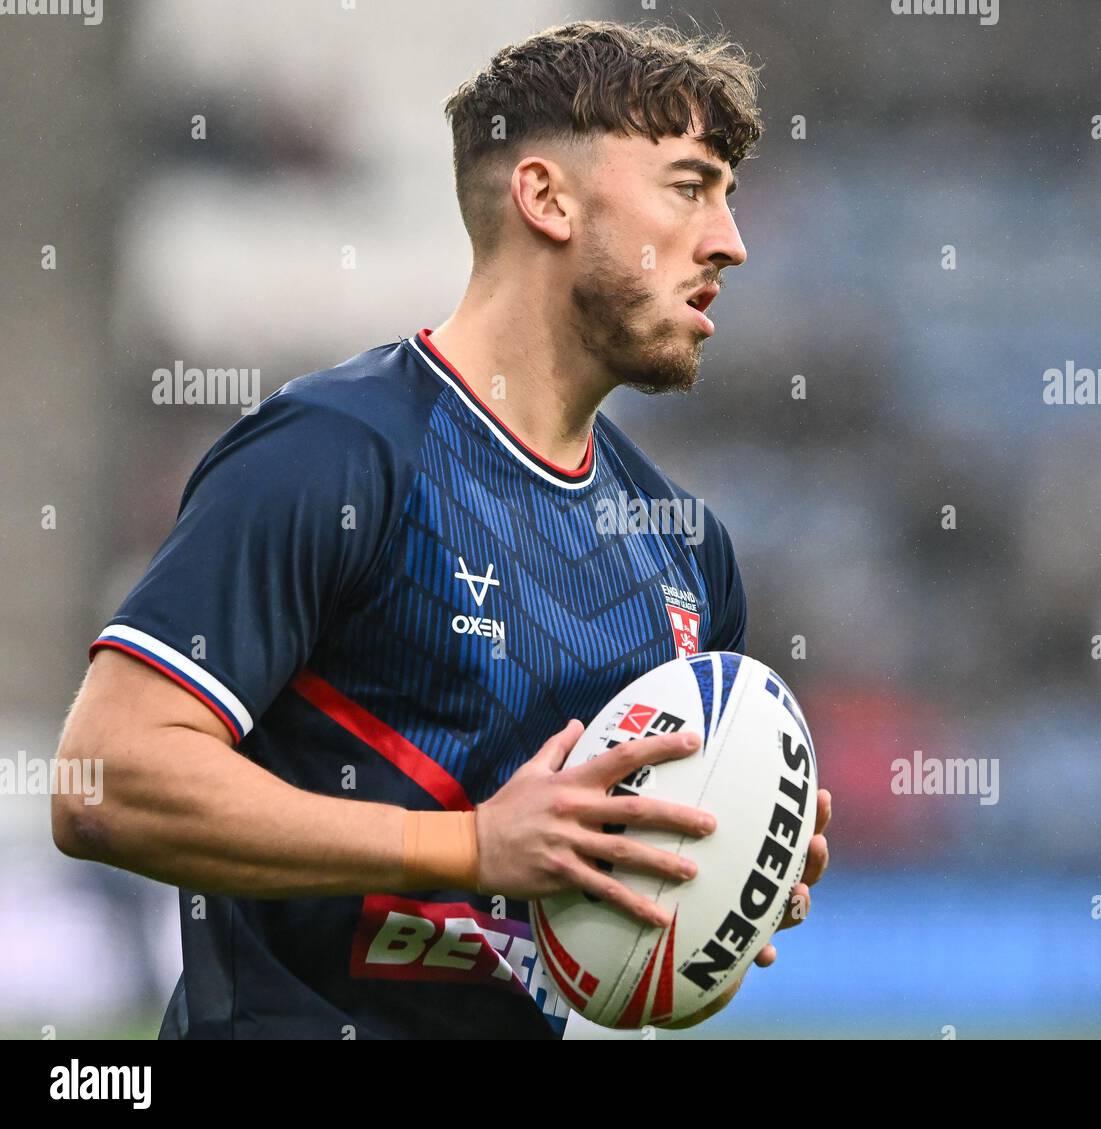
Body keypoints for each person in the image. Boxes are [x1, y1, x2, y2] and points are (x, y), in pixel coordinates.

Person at [52, 18, 831, 1040]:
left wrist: (716, 899)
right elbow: (105, 780)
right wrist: (466, 847)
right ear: (546, 197)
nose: (729, 238)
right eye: (689, 186)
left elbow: (615, 971)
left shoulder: (684, 554)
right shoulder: (333, 452)